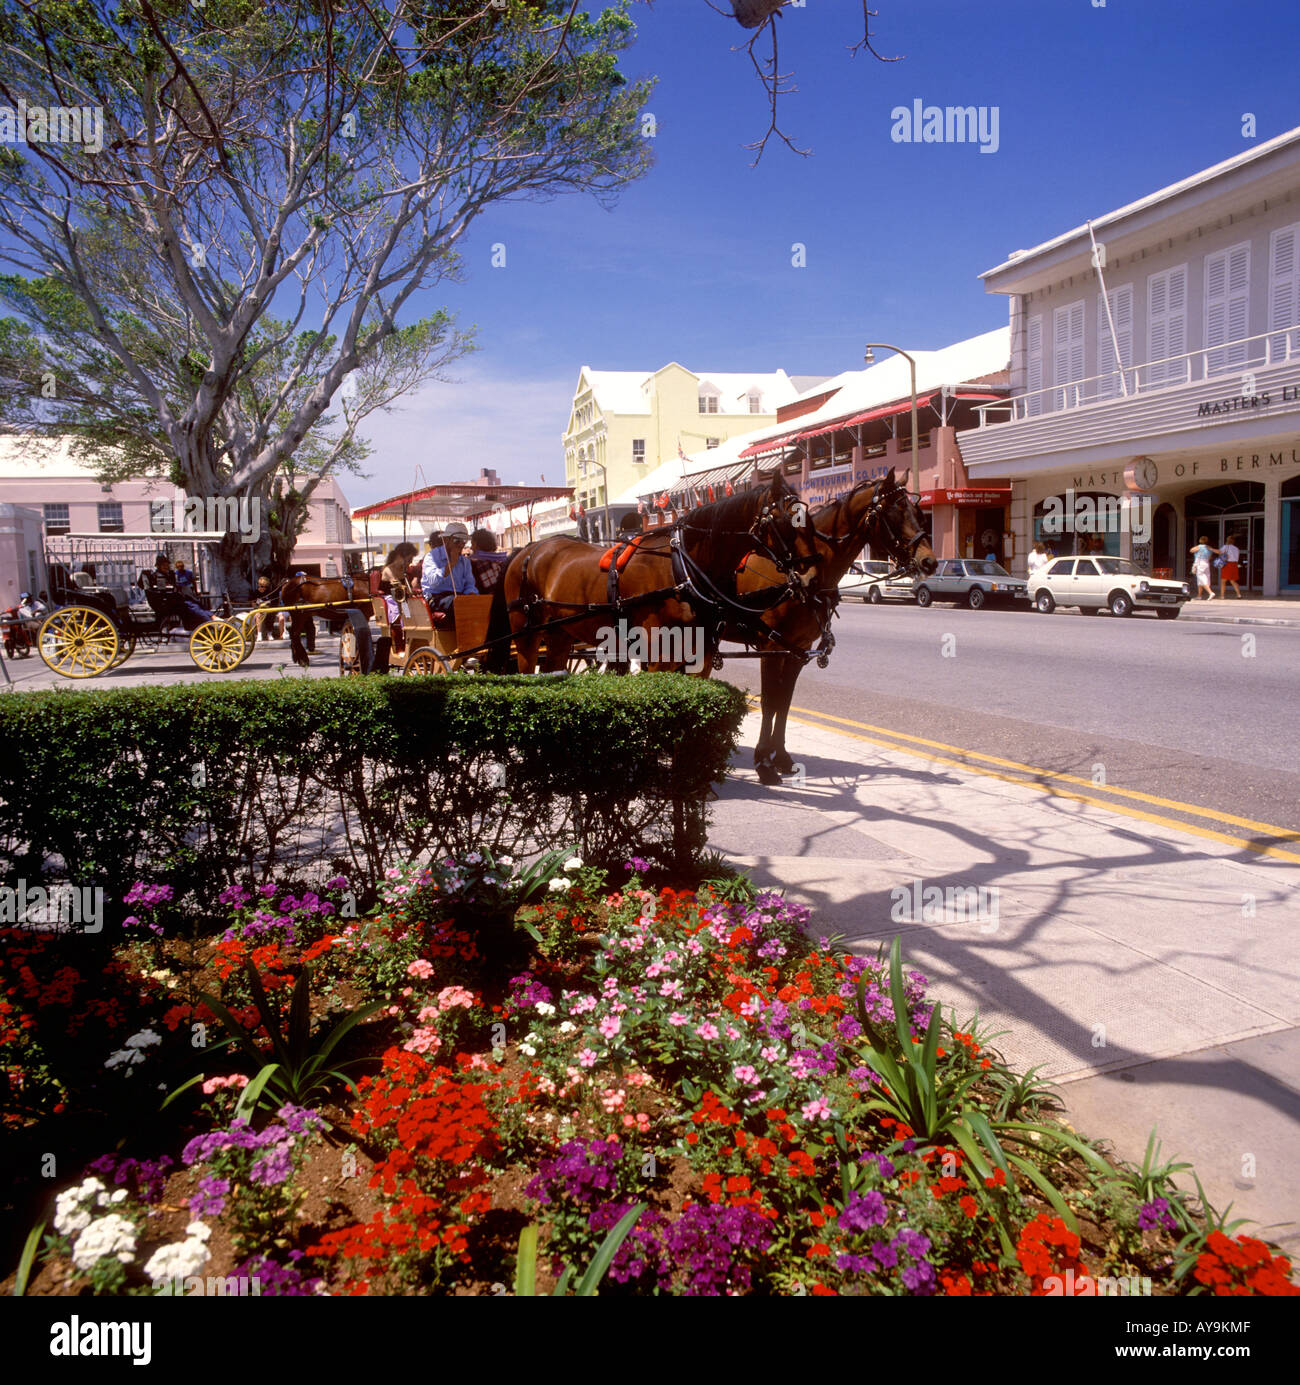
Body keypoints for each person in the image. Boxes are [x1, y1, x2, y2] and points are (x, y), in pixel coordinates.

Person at [139, 553, 211, 630]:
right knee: (189, 606)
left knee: (195, 604)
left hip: (172, 600)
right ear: (158, 566)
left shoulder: (170, 575)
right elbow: (162, 591)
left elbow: (176, 587)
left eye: (167, 565)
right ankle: (206, 622)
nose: (166, 566)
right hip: (164, 603)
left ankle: (209, 618)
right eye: (163, 565)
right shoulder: (157, 576)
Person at [420, 521, 477, 616]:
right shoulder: (431, 556)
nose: (461, 544)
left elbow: (469, 584)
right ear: (446, 540)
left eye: (464, 541)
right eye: (456, 541)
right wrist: (451, 564)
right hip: (435, 598)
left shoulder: (465, 561)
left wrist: (471, 594)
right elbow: (432, 581)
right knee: (459, 604)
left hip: (459, 597)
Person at [378, 545, 414, 654]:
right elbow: (397, 585)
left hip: (401, 599)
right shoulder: (389, 570)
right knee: (400, 612)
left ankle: (410, 637)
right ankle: (399, 642)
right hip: (390, 598)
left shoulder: (403, 571)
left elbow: (408, 588)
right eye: (408, 560)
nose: (409, 563)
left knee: (410, 614)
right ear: (400, 557)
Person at [468, 528, 509, 593]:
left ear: (476, 545)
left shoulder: (474, 563)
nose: (471, 548)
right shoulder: (505, 560)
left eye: (472, 544)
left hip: (486, 600)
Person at [1189, 535, 1218, 600]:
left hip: (1200, 563)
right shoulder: (1209, 548)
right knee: (1202, 579)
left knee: (1201, 578)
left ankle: (1210, 592)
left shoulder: (1199, 547)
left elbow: (1191, 550)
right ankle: (1199, 596)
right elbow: (1210, 557)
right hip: (1206, 563)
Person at [1218, 534, 1242, 599]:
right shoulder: (1236, 548)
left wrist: (1211, 549)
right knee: (1233, 581)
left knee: (1223, 581)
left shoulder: (1225, 547)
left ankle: (1222, 596)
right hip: (1234, 565)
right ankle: (1239, 594)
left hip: (1227, 564)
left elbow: (1219, 552)